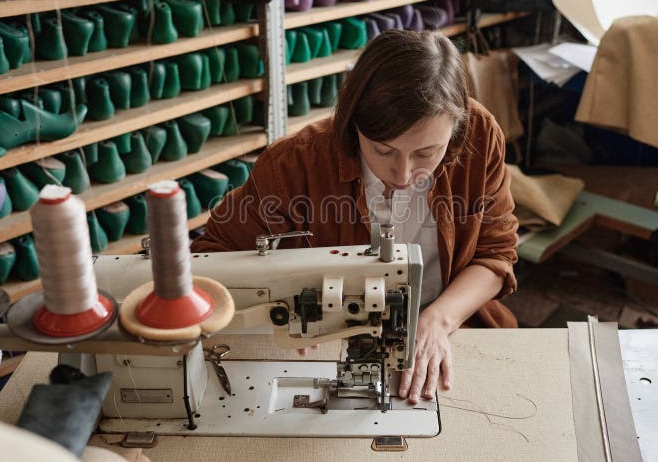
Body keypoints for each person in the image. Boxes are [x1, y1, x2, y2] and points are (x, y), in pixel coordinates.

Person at [192, 30, 519, 405]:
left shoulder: (481, 137)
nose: (401, 174)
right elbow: (213, 260)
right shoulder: (294, 165)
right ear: (353, 123)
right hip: (324, 343)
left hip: (450, 325)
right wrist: (285, 314)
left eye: (427, 153)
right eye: (383, 150)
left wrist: (438, 320)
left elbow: (496, 254)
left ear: (456, 131)